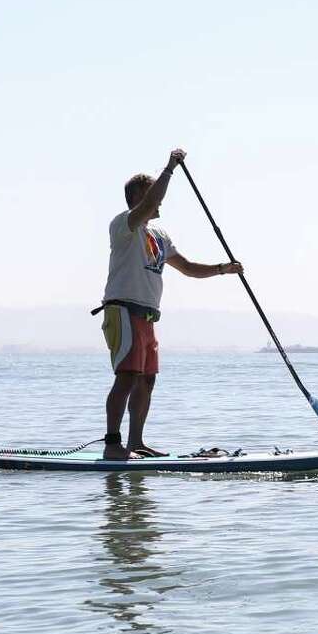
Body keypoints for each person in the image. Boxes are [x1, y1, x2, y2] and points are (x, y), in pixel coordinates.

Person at [96, 149, 242, 460]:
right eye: (152, 195)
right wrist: (170, 168)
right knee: (127, 377)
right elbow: (151, 203)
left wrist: (222, 269)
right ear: (137, 197)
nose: (160, 201)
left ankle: (136, 442)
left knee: (146, 380)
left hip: (148, 316)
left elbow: (187, 267)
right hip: (123, 310)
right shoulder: (123, 224)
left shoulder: (159, 234)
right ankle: (112, 444)